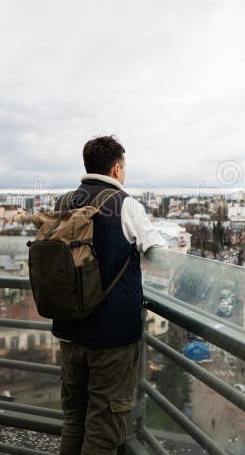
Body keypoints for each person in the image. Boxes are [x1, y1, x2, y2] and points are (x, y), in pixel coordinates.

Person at [53, 135, 165, 455]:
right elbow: (159, 252)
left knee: (74, 418)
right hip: (112, 339)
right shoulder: (124, 204)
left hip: (69, 329)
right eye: (124, 167)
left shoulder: (63, 202)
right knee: (104, 428)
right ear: (116, 169)